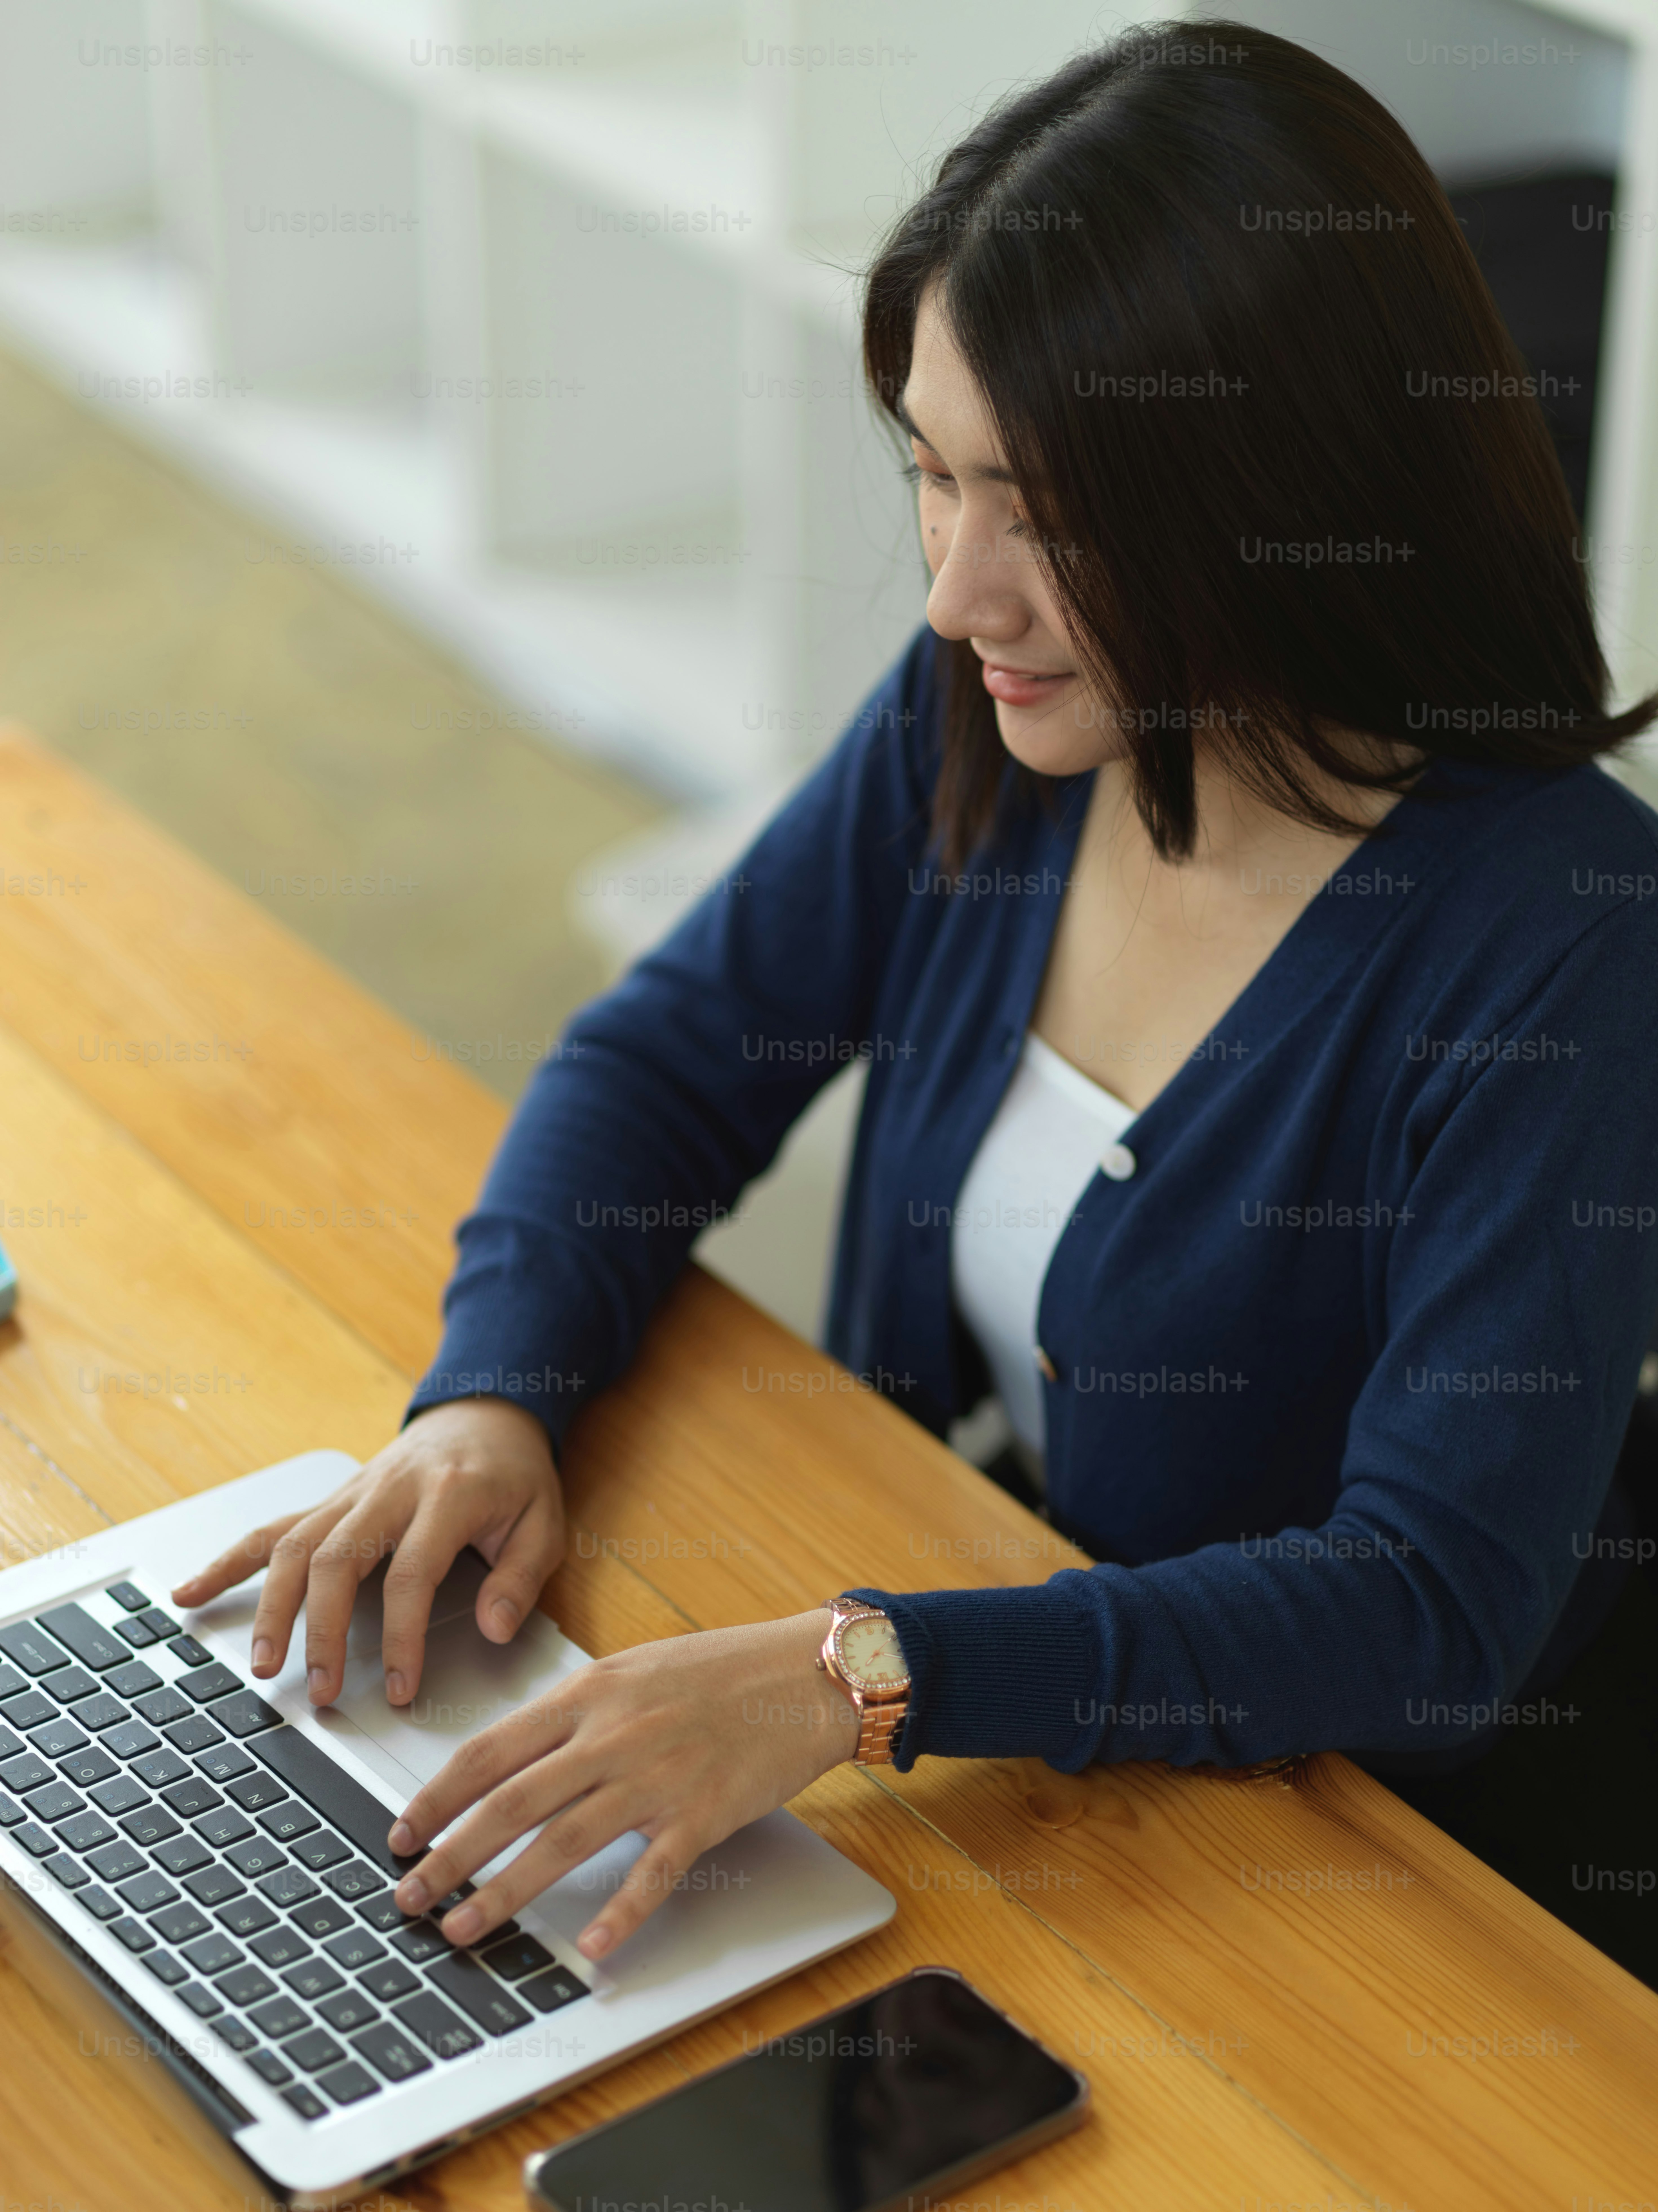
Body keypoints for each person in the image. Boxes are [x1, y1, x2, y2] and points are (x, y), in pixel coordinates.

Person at [174, 20, 1658, 1978]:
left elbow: (1426, 1611)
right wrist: (490, 1390)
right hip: (1002, 1725)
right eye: (935, 476)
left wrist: (854, 1676)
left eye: (1043, 508)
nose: (958, 592)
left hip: (1351, 1856)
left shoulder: (1571, 936)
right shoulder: (1003, 717)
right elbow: (672, 1052)